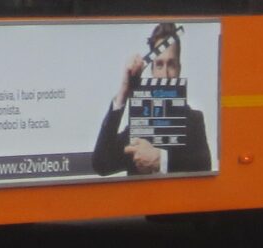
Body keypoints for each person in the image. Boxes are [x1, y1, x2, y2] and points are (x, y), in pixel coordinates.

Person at [91, 22, 213, 176]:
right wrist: (123, 91)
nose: (166, 74)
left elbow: (204, 166)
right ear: (153, 70)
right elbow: (101, 163)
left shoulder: (194, 119)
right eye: (160, 65)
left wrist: (161, 159)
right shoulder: (140, 123)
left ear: (179, 69)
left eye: (172, 64)